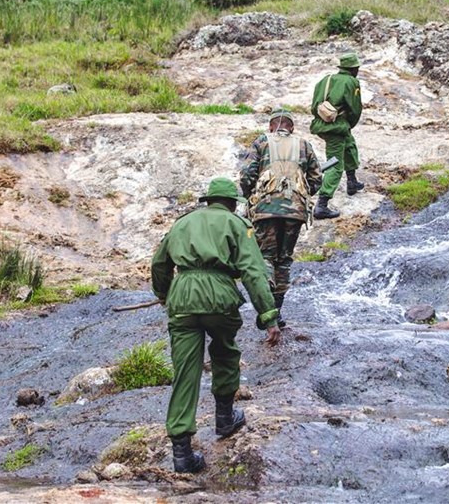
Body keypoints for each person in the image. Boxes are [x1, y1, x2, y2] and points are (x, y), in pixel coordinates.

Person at [150, 177, 282, 474]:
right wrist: (268, 316)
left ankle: (182, 453)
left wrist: (164, 294)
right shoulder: (237, 224)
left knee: (185, 371)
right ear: (232, 203)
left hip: (182, 298)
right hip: (220, 296)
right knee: (225, 351)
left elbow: (159, 264)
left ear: (208, 201)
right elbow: (253, 271)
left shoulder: (182, 223)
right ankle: (224, 418)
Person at [240, 108, 323, 327]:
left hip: (265, 209)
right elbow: (316, 179)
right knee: (284, 259)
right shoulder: (304, 144)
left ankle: (266, 308)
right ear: (292, 127)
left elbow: (246, 175)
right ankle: (277, 312)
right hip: (294, 212)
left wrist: (251, 197)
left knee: (265, 257)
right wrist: (299, 195)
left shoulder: (261, 142)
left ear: (270, 126)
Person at [309, 52, 365, 219]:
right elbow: (355, 109)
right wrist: (347, 125)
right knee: (335, 164)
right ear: (353, 68)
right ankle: (322, 205)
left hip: (323, 125)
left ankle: (352, 181)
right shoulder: (351, 82)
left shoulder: (325, 80)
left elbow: (314, 107)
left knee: (350, 145)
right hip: (337, 128)